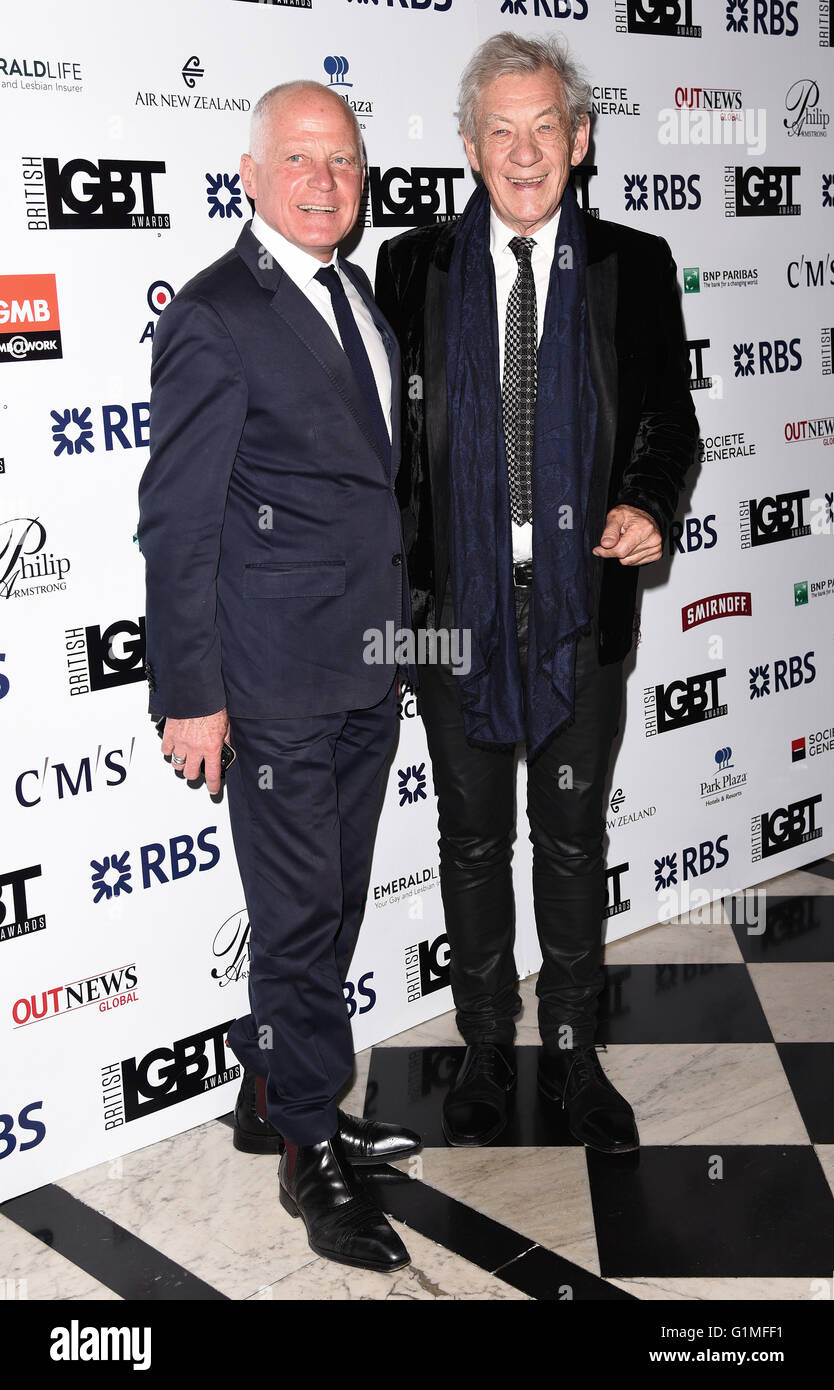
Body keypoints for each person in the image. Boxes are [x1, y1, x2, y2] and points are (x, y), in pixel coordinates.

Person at [375, 32, 698, 1151]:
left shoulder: (634, 265)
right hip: (453, 615)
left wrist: (648, 500)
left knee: (569, 839)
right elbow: (389, 446)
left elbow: (667, 420)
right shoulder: (413, 267)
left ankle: (570, 1054)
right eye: (500, 130)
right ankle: (482, 1047)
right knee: (471, 840)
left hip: (578, 607)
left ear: (581, 137)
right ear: (470, 146)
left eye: (544, 126)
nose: (524, 152)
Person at [138, 80, 421, 1273]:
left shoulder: (356, 295)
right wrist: (188, 691)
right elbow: (177, 519)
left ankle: (267, 1092)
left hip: (367, 664)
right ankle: (311, 1146)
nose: (324, 180)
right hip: (271, 680)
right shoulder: (215, 314)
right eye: (298, 158)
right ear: (248, 175)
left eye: (343, 160)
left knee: (334, 901)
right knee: (303, 916)